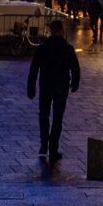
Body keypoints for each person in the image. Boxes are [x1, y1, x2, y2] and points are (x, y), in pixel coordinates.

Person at [27, 20, 81, 165]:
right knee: (57, 118)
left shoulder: (43, 48)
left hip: (46, 85)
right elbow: (75, 68)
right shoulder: (67, 48)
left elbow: (34, 69)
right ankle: (53, 148)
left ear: (50, 30)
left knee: (44, 115)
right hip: (61, 86)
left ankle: (44, 145)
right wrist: (75, 82)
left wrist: (31, 87)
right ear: (61, 30)